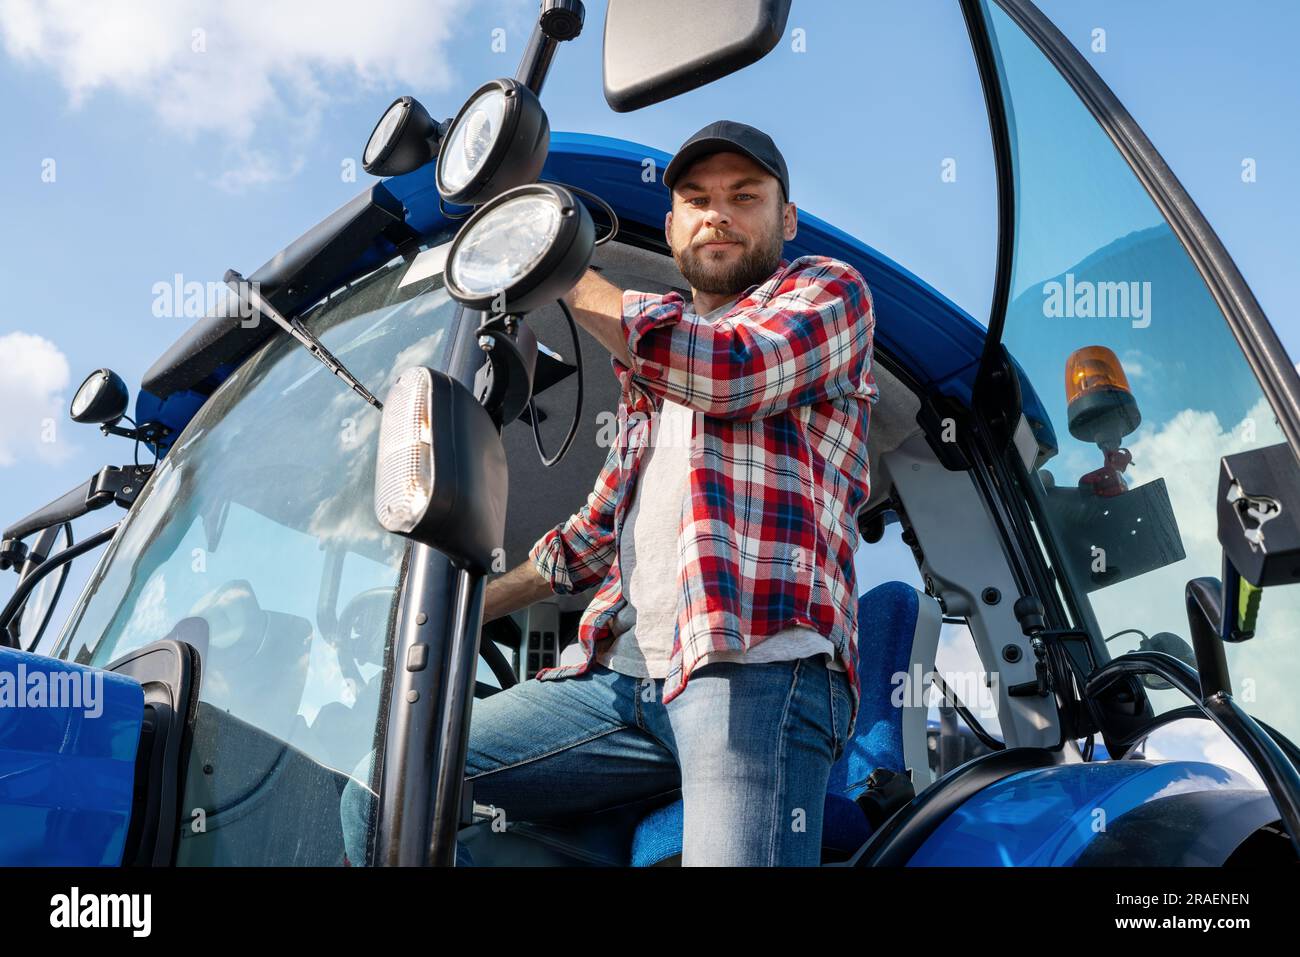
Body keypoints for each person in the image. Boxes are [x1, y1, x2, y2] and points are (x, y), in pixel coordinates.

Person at [343, 120, 878, 866]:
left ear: (786, 219)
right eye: (696, 199)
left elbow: (727, 371)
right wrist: (445, 611)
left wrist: (547, 253)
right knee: (387, 785)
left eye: (744, 196)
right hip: (620, 683)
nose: (717, 212)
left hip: (754, 667)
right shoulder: (648, 386)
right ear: (672, 225)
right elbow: (587, 542)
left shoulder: (826, 295)